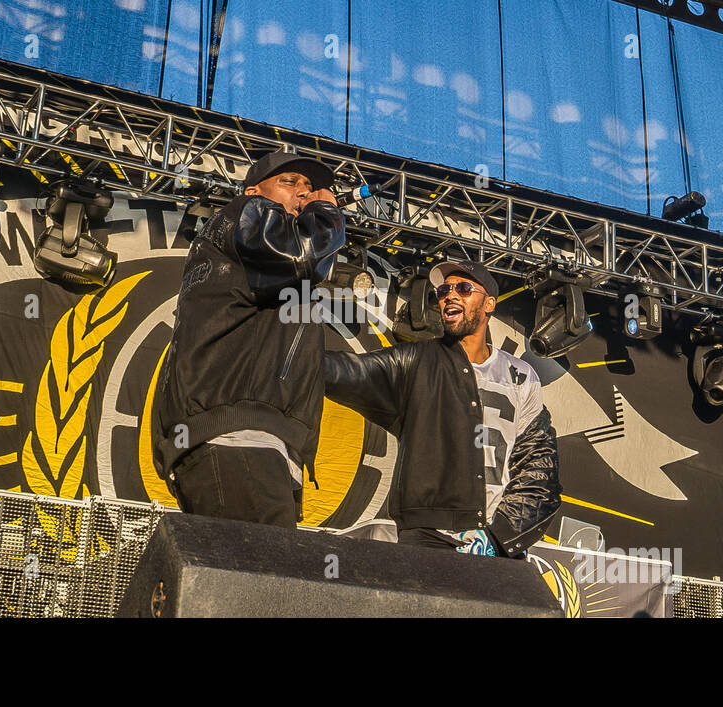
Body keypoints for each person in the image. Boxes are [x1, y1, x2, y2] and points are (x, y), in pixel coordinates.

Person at [152, 151, 346, 527]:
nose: (304, 193)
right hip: (237, 441)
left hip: (244, 444)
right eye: (290, 183)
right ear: (254, 190)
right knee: (266, 577)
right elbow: (301, 256)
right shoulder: (248, 213)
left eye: (310, 187)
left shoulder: (254, 262)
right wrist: (326, 214)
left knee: (249, 578)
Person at [323, 260, 562, 557]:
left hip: (492, 543)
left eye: (463, 288)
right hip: (427, 537)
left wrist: (499, 537)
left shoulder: (521, 375)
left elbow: (539, 470)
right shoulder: (416, 361)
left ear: (488, 304)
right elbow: (348, 371)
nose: (450, 295)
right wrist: (295, 352)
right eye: (444, 290)